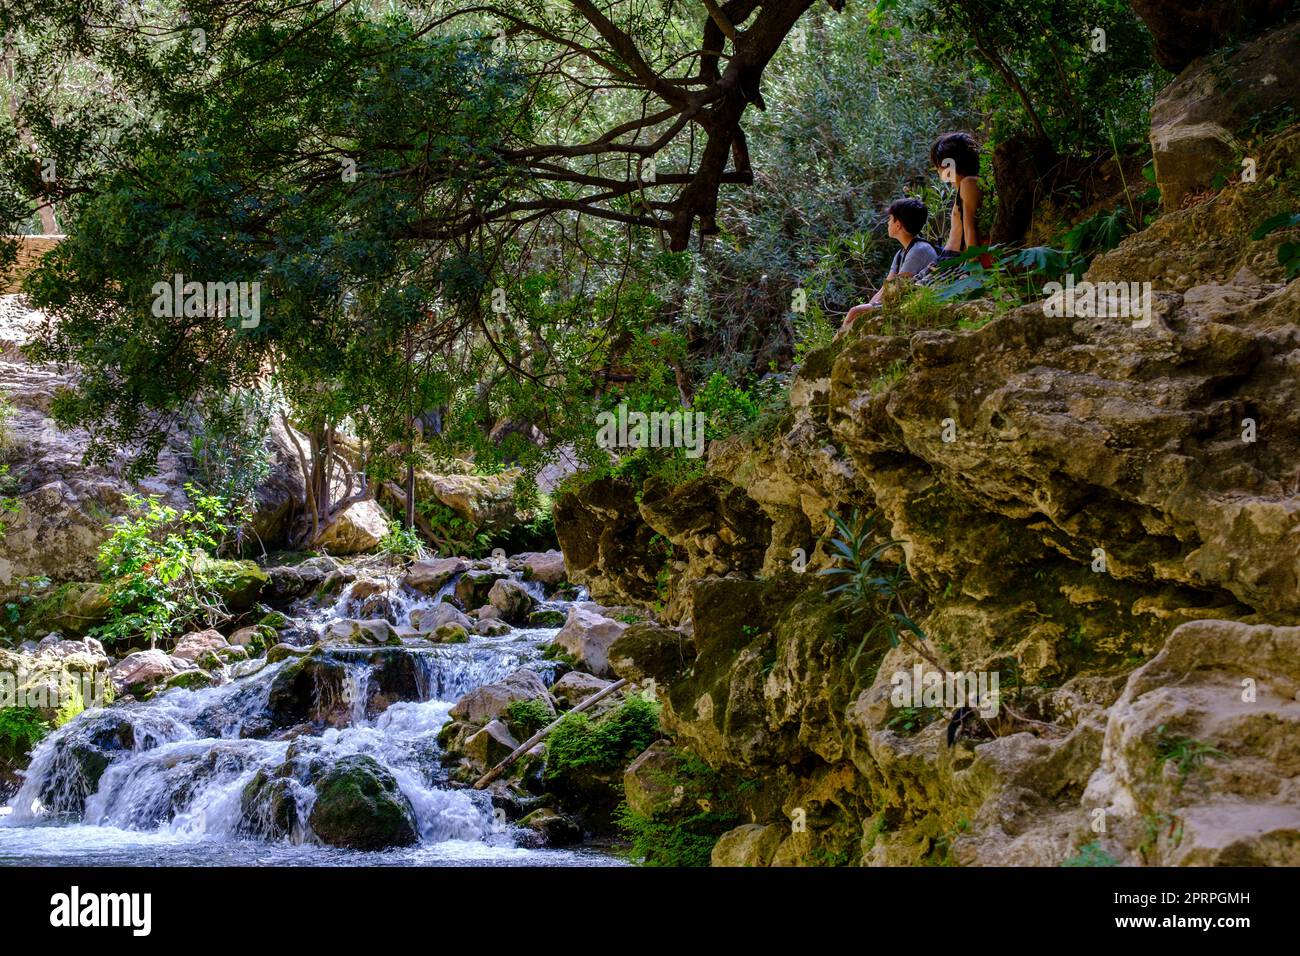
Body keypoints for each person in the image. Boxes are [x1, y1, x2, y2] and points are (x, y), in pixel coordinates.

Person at [837, 198, 938, 337]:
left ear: (898, 225)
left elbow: (898, 288)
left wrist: (866, 310)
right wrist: (869, 307)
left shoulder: (919, 250)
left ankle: (838, 342)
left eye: (890, 218)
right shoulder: (901, 253)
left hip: (911, 301)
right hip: (900, 299)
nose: (888, 222)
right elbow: (886, 288)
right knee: (857, 312)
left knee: (855, 311)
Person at [930, 131, 989, 265]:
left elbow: (970, 228)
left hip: (957, 260)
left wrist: (973, 266)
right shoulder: (964, 186)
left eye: (938, 164)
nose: (937, 169)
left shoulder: (969, 183)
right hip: (948, 257)